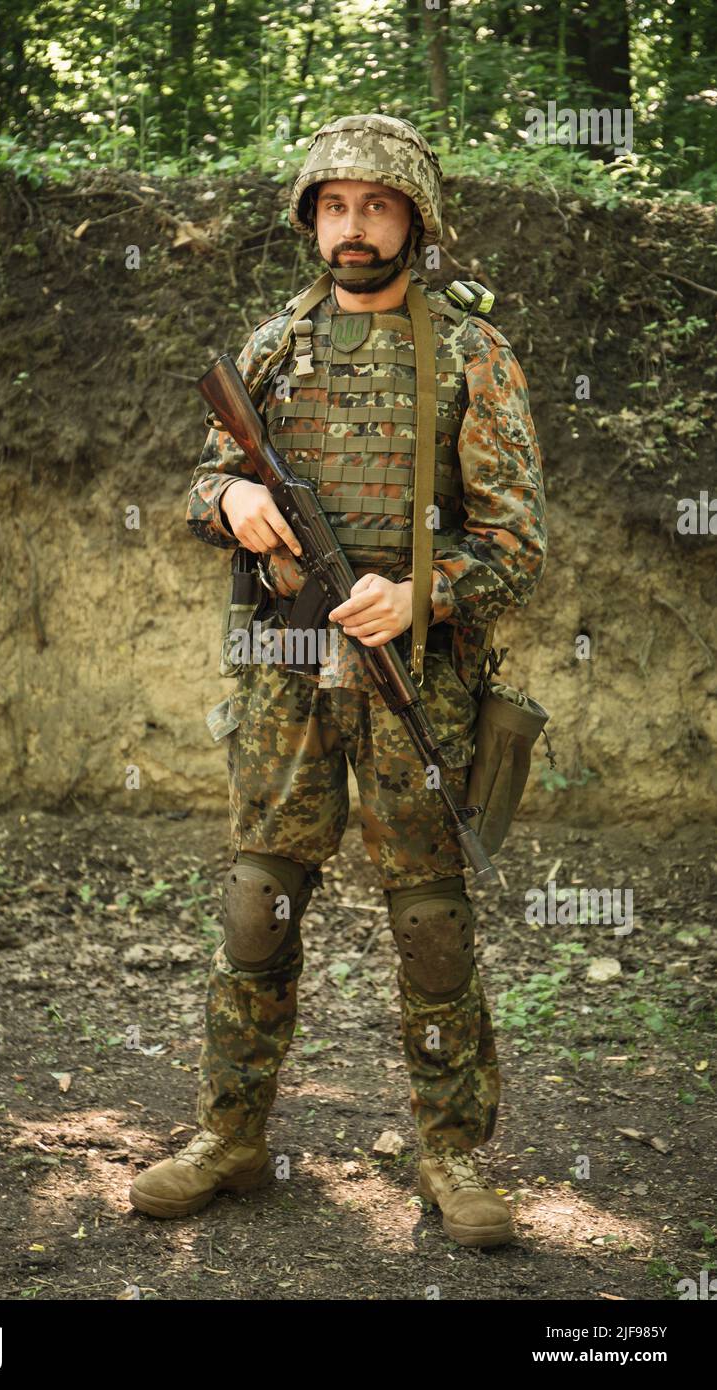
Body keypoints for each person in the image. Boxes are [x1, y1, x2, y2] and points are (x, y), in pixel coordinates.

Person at [130, 113, 548, 1248]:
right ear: (308, 218)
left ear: (414, 216)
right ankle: (230, 1134)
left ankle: (451, 1153)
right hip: (283, 677)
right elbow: (200, 484)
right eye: (331, 206)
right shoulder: (269, 349)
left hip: (417, 681)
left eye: (374, 205)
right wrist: (231, 503)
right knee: (255, 907)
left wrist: (421, 592)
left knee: (428, 924)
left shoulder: (470, 355)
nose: (350, 228)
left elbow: (516, 549)